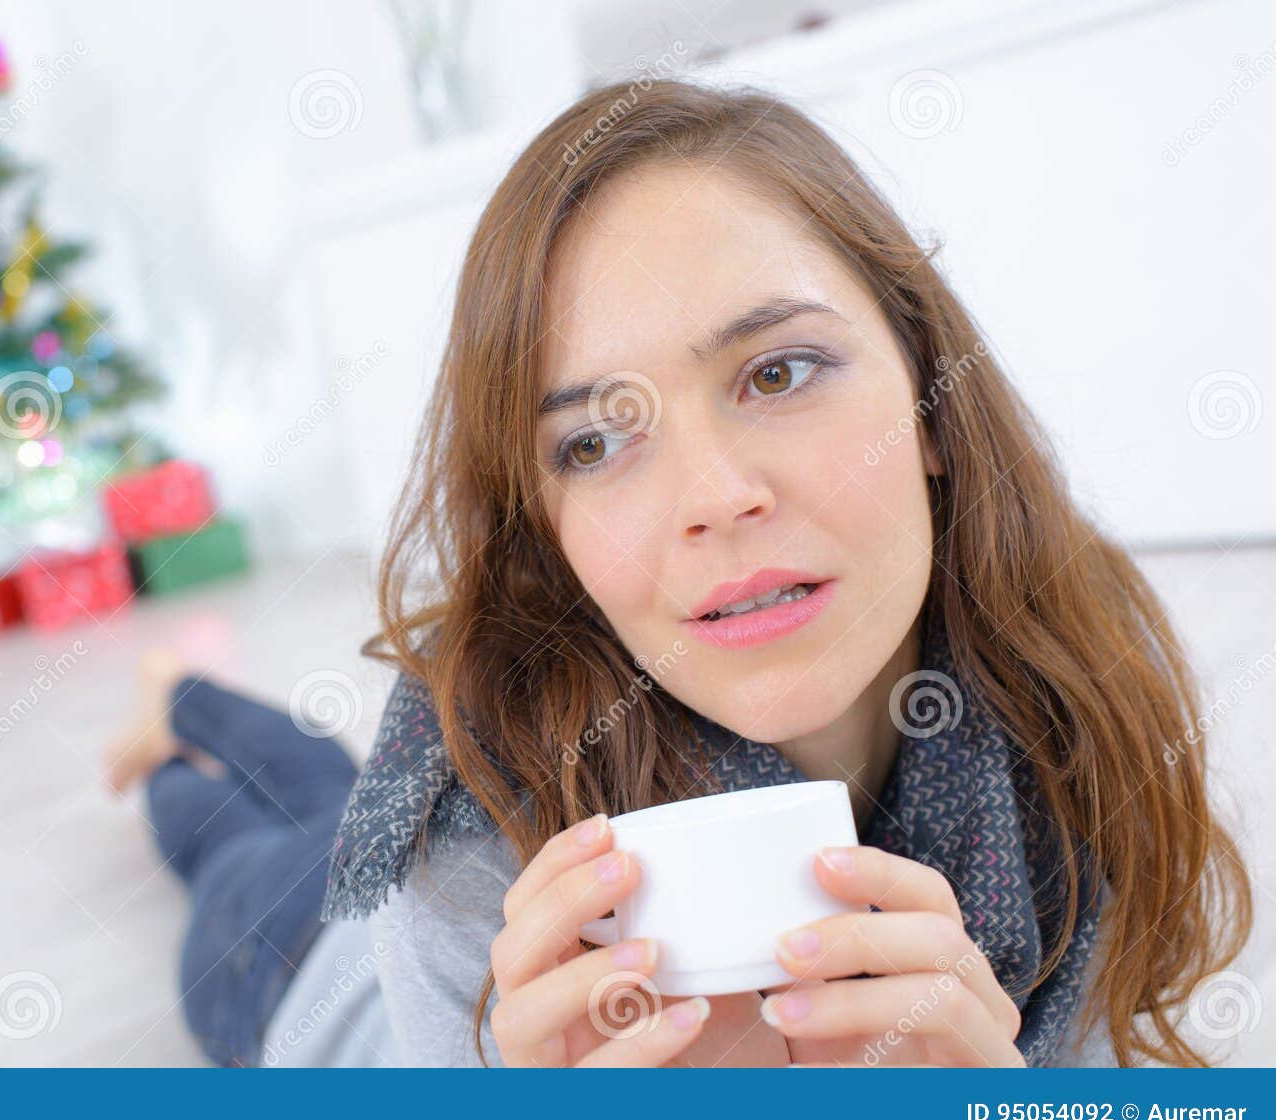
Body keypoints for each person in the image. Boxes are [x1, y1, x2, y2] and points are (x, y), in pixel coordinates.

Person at [312, 78, 1254, 1068]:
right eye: (593, 442)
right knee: (246, 856)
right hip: (330, 1023)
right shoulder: (462, 844)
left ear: (928, 396)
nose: (713, 497)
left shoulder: (1074, 679)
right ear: (547, 531)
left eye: (777, 374)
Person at [104, 651, 393, 1067]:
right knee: (232, 840)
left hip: (325, 911)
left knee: (322, 788)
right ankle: (165, 746)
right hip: (308, 930)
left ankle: (173, 705)